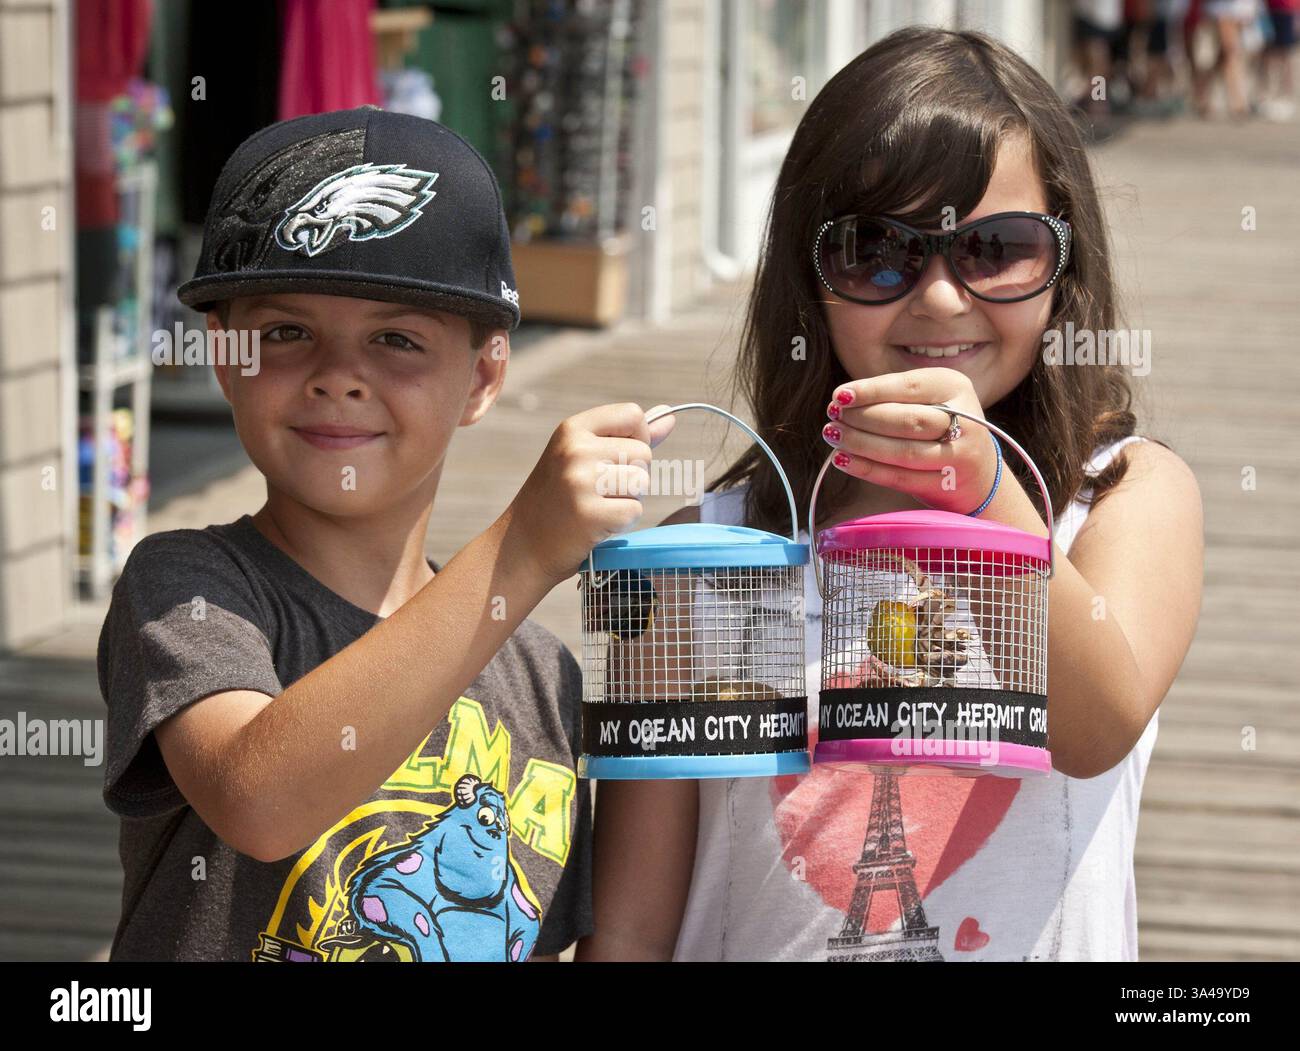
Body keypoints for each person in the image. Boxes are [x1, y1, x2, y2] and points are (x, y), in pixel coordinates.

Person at [577, 27, 1203, 962]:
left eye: (995, 248)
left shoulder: (1124, 497)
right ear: (806, 280)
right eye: (877, 251)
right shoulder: (701, 553)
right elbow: (630, 924)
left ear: (1064, 272)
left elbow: (1095, 721)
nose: (942, 298)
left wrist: (986, 490)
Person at [98, 106, 675, 962]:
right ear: (226, 356)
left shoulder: (539, 676)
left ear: (483, 376)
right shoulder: (188, 589)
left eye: (397, 339)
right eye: (287, 332)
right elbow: (258, 799)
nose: (339, 377)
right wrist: (521, 548)